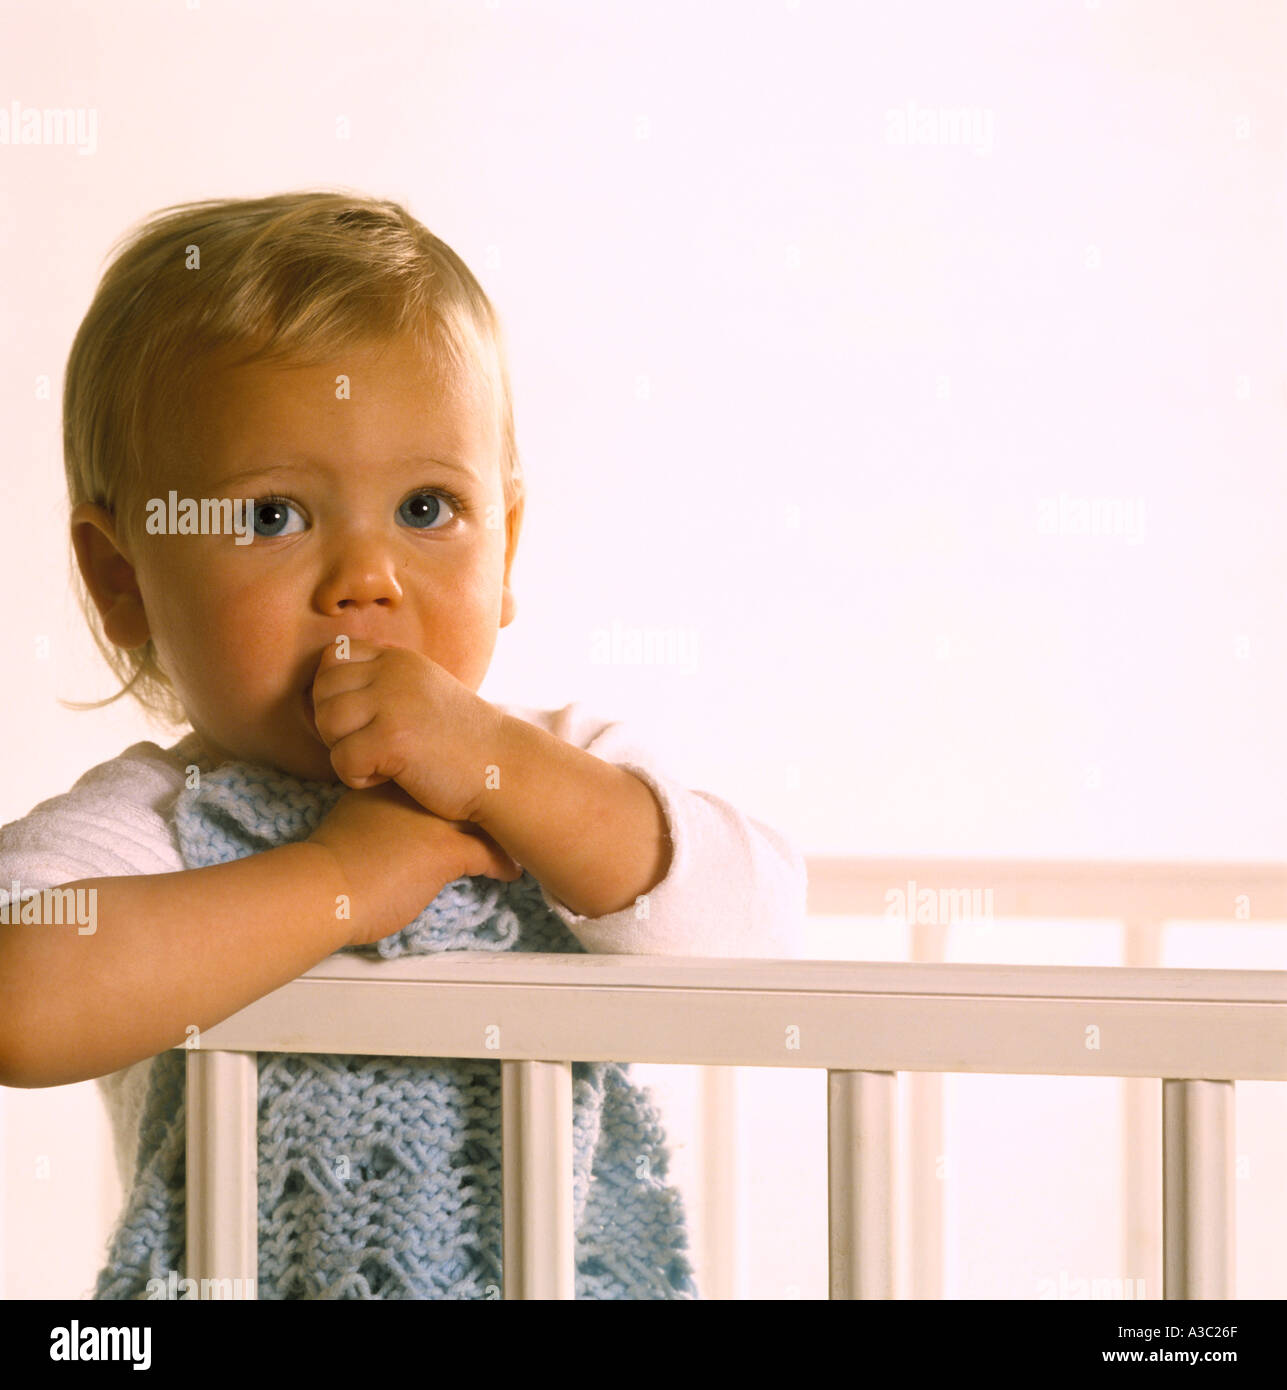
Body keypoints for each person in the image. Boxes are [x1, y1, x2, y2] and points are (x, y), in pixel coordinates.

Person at [0, 190, 808, 1299]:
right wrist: (339, 880)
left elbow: (759, 933)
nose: (365, 579)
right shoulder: (150, 825)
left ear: (507, 542)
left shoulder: (551, 769)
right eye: (273, 517)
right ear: (122, 578)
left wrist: (507, 770)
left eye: (428, 508)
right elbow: (21, 996)